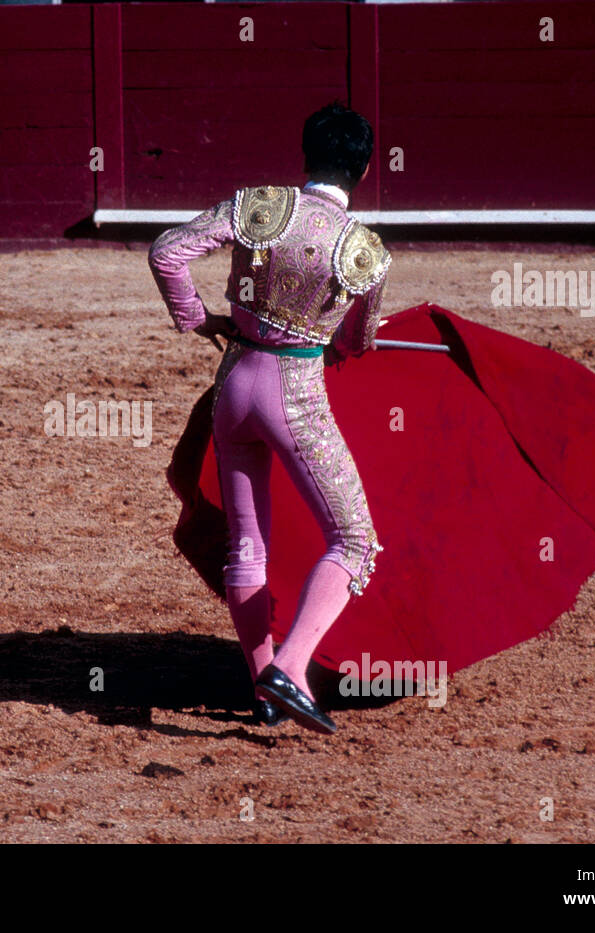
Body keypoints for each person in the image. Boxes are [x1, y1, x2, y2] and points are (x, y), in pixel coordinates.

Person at [148, 102, 390, 734]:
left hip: (234, 385)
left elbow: (168, 252)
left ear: (304, 155)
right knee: (356, 541)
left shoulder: (260, 207)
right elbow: (355, 344)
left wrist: (200, 318)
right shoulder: (363, 251)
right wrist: (355, 336)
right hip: (296, 395)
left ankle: (261, 688)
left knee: (247, 542)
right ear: (363, 169)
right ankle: (290, 667)